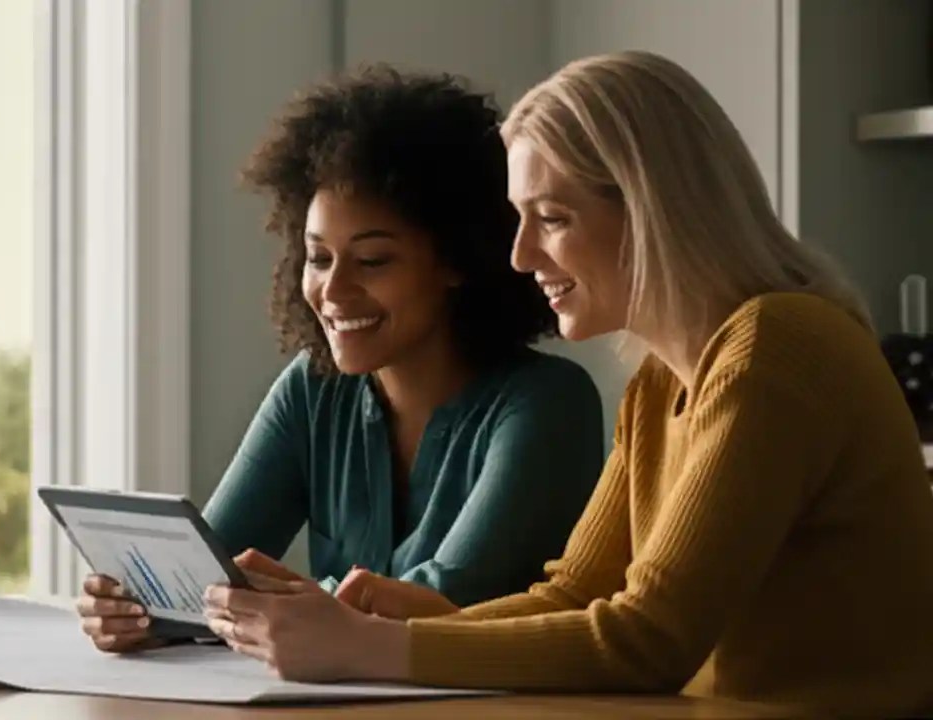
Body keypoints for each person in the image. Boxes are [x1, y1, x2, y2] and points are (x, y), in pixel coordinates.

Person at [201, 51, 933, 718]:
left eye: (551, 218)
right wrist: (386, 628)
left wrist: (365, 646)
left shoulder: (776, 345)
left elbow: (649, 638)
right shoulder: (659, 381)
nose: (519, 256)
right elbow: (576, 595)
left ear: (653, 211)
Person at [77, 66, 605, 653]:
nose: (333, 290)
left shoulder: (549, 402)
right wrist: (136, 607)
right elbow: (202, 577)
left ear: (459, 261)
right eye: (318, 257)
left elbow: (448, 601)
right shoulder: (313, 387)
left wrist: (249, 601)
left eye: (373, 261)